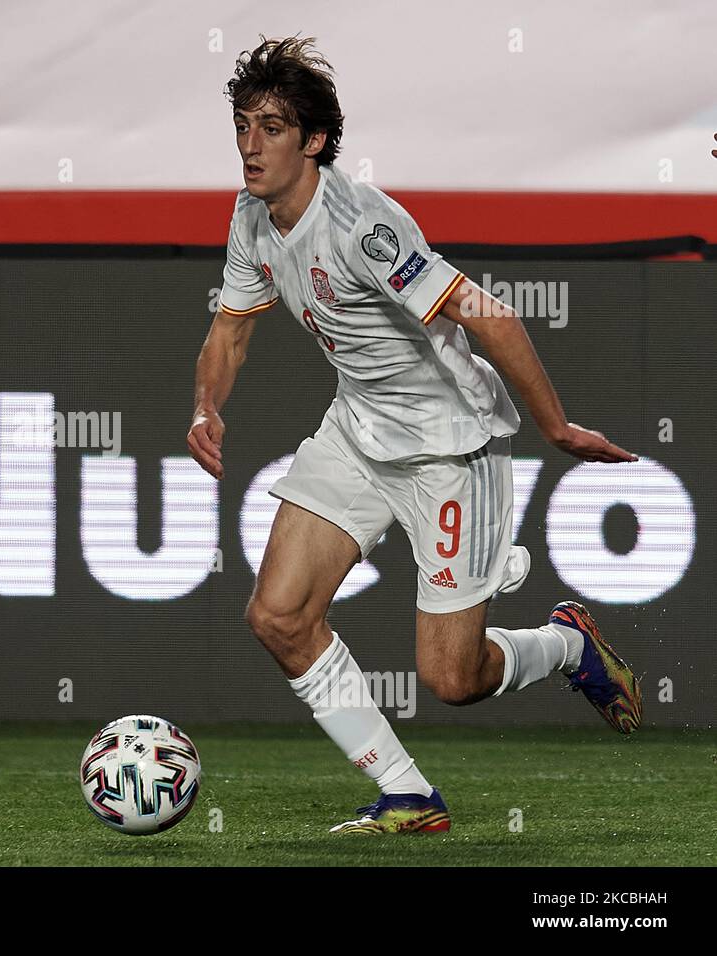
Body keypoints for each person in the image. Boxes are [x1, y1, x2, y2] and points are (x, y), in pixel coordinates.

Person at [187, 35, 643, 835]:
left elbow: (483, 312)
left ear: (315, 141)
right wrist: (205, 407)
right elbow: (230, 328)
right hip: (359, 431)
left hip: (448, 447)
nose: (250, 146)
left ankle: (568, 647)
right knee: (279, 616)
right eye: (242, 125)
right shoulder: (251, 215)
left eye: (270, 127)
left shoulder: (363, 225)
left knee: (452, 679)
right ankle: (408, 794)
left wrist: (556, 426)